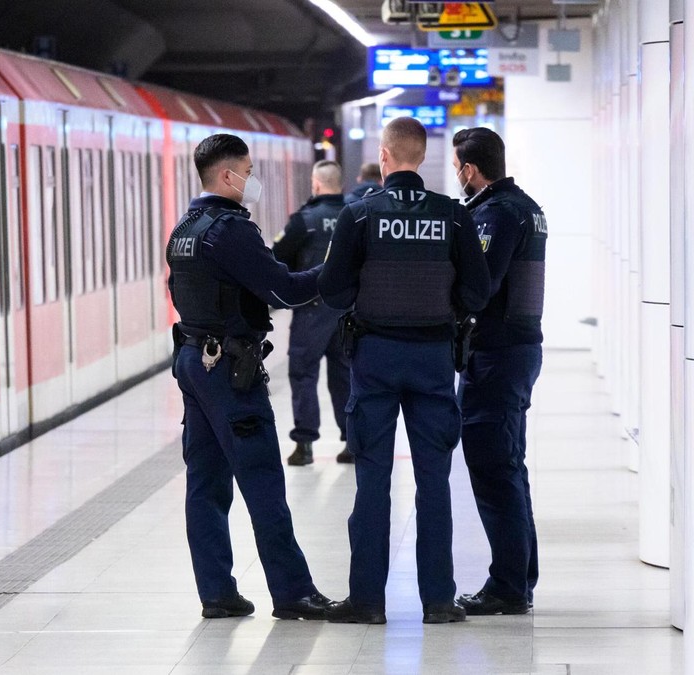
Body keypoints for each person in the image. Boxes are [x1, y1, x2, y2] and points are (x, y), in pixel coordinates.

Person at [318, 117, 490, 625]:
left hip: (373, 357)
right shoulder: (453, 217)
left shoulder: (359, 215)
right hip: (435, 358)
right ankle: (438, 600)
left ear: (384, 156)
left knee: (372, 479)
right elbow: (477, 293)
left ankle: (368, 601)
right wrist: (445, 310)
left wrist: (362, 300)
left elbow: (332, 289)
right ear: (424, 156)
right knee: (434, 479)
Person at [166, 133, 333, 621]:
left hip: (195, 363)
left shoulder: (185, 228)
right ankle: (293, 593)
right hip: (231, 374)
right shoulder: (231, 229)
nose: (252, 180)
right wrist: (337, 269)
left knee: (206, 484)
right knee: (262, 481)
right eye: (248, 170)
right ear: (226, 176)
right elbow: (283, 290)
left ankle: (217, 592)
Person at [451, 127, 547, 616]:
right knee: (509, 464)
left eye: (457, 168)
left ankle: (508, 585)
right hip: (516, 349)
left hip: (497, 356)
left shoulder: (495, 214)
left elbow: (480, 287)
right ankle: (518, 576)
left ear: (469, 168)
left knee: (492, 466)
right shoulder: (527, 206)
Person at [272, 160, 352, 466]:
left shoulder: (305, 220)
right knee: (344, 374)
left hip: (311, 310)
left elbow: (278, 259)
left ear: (316, 185)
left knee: (304, 374)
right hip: (346, 310)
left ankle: (305, 444)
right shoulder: (354, 215)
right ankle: (351, 442)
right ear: (340, 184)